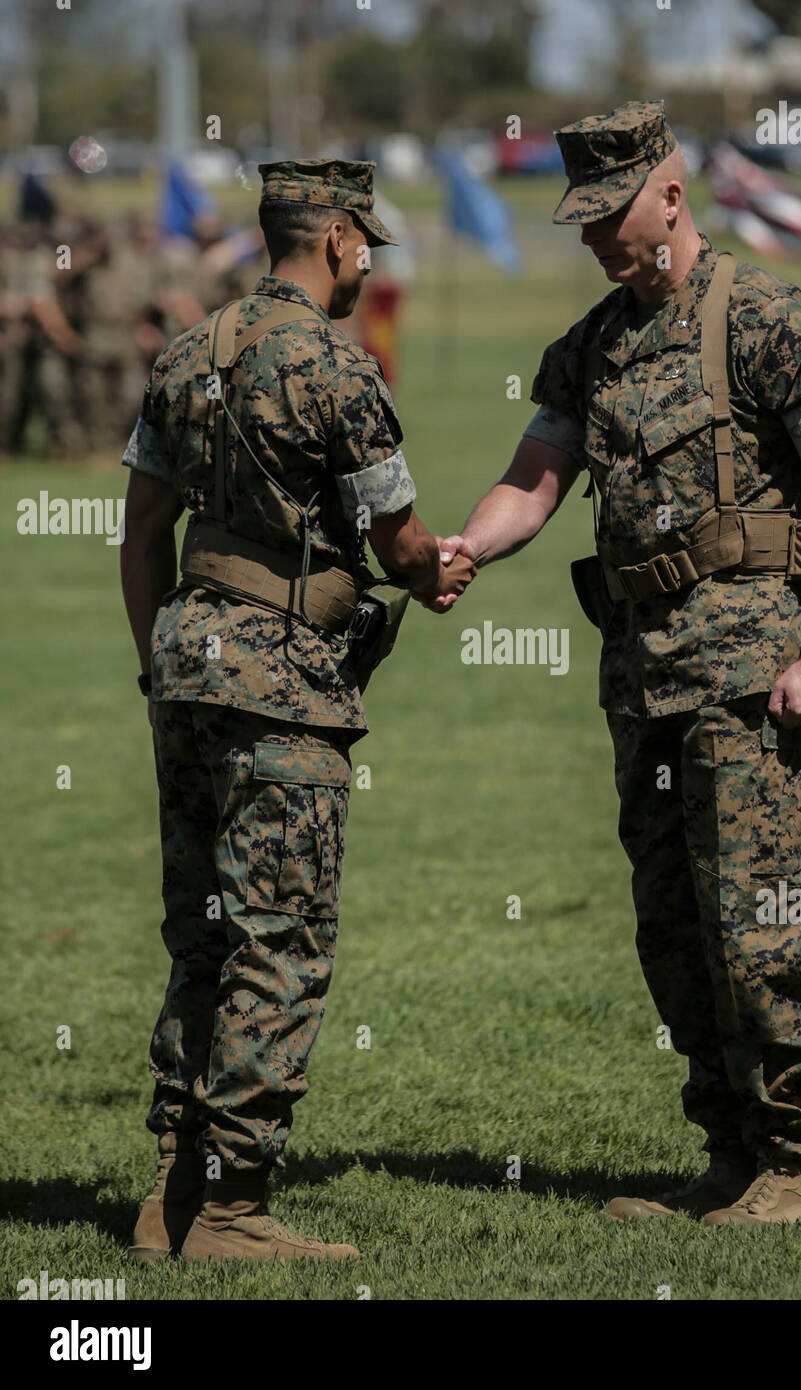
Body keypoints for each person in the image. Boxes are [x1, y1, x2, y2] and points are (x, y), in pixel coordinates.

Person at [439, 101, 801, 1227]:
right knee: (672, 930)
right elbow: (533, 479)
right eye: (580, 218)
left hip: (752, 678)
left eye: (610, 214)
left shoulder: (766, 314)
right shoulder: (590, 346)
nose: (593, 236)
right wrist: (462, 548)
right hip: (642, 681)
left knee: (754, 924)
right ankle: (730, 1159)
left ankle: (794, 1164)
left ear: (672, 195)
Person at [120, 158, 474, 1264]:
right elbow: (399, 538)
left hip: (184, 669)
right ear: (335, 240)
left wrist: (160, 671)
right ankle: (231, 1212)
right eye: (366, 241)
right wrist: (434, 573)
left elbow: (140, 537)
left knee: (204, 936)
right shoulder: (335, 366)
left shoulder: (185, 353)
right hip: (281, 686)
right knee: (281, 938)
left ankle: (169, 1196)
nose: (370, 261)